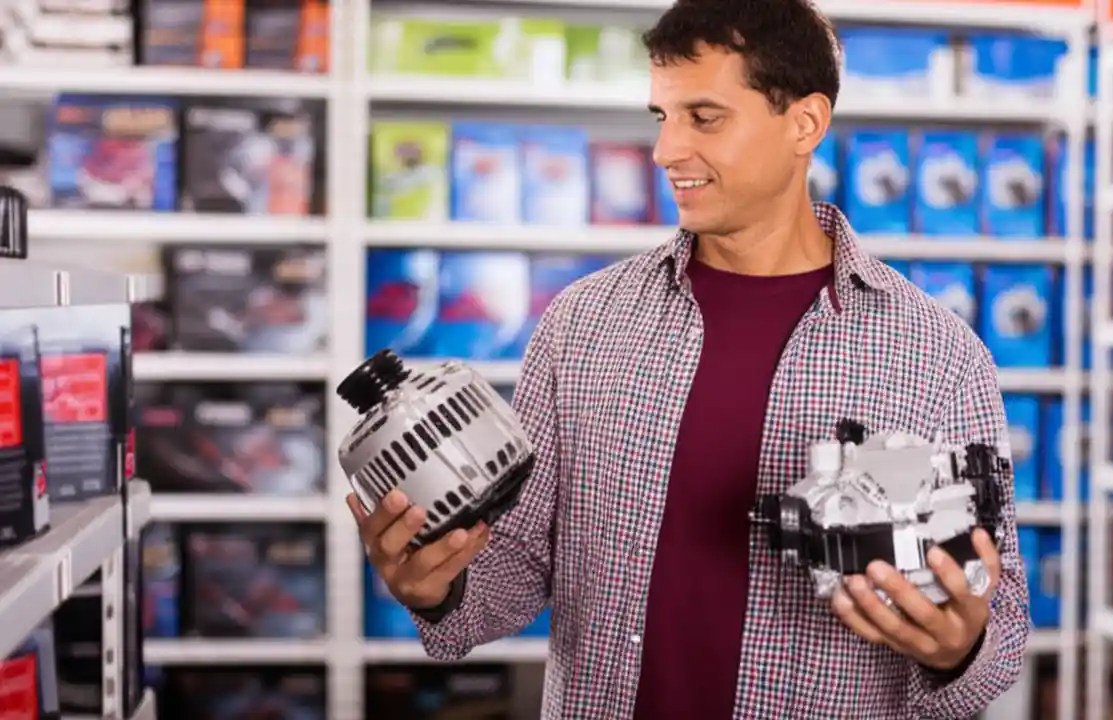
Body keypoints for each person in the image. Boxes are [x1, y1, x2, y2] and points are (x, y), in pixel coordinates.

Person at [348, 0, 1031, 717]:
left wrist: (956, 646)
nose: (666, 151)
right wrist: (439, 585)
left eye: (704, 118)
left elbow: (1002, 613)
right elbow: (518, 563)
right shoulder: (582, 326)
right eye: (661, 117)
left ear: (805, 123)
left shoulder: (936, 353)